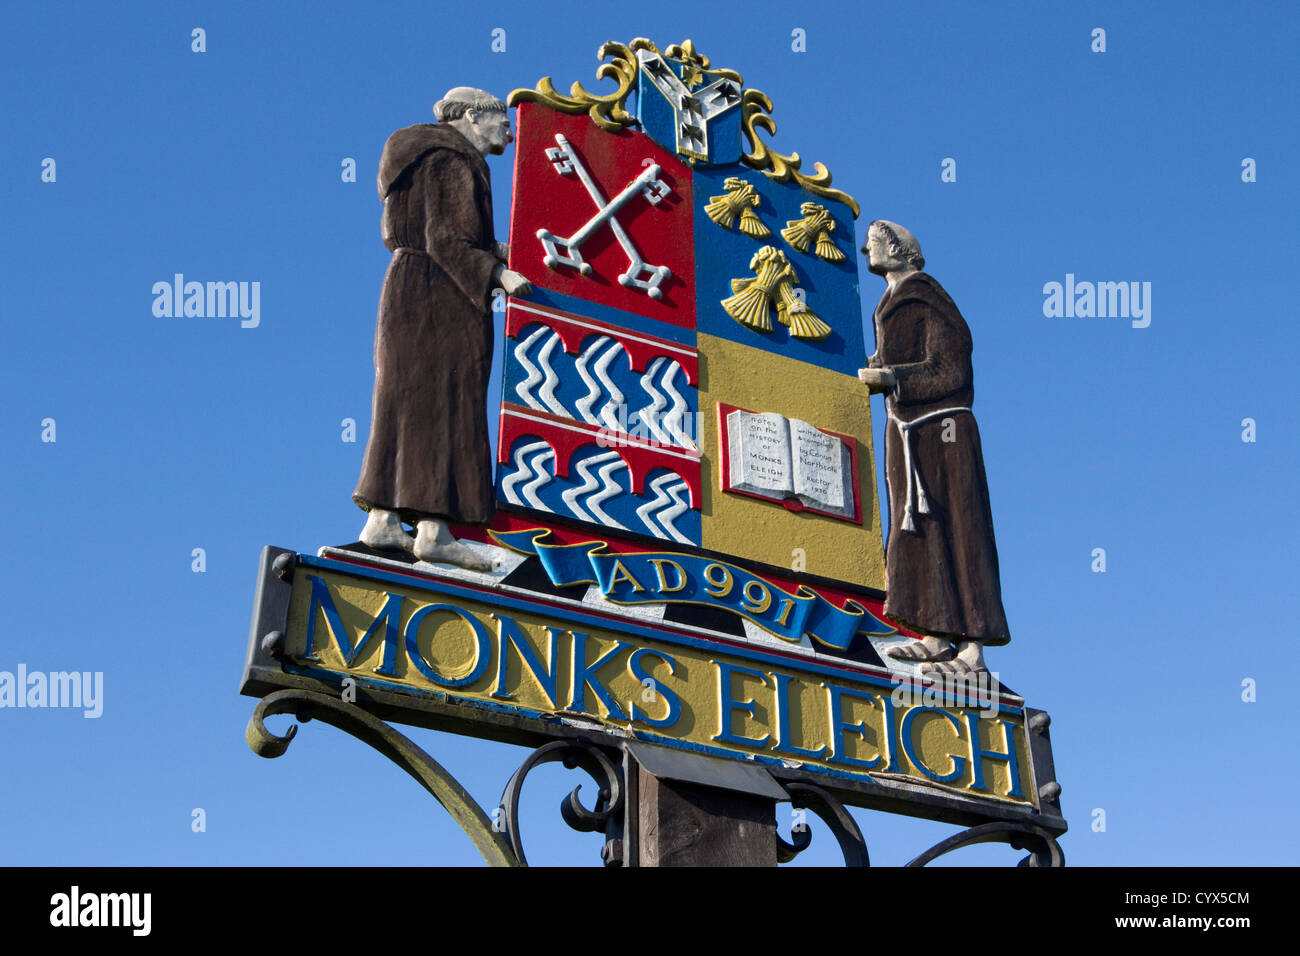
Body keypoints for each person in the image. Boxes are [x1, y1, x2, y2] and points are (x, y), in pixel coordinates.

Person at [353, 87, 532, 570]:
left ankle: (385, 521)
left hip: (413, 287)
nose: (511, 134)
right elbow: (447, 238)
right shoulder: (453, 158)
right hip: (445, 293)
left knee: (407, 403)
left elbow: (440, 230)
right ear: (474, 117)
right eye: (503, 122)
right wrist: (500, 274)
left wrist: (496, 249)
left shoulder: (420, 154)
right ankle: (434, 530)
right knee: (450, 404)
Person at [857, 220, 1009, 675]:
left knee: (961, 531)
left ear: (902, 251)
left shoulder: (928, 297)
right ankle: (934, 634)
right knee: (917, 530)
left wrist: (893, 379)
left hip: (944, 433)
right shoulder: (887, 302)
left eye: (877, 241)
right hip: (905, 431)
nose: (866, 248)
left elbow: (951, 366)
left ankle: (973, 649)